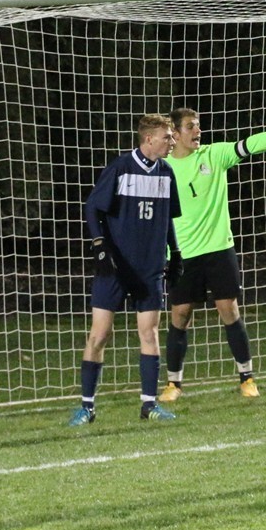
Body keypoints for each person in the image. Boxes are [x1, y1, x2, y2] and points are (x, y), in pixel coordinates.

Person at [159, 107, 266, 402]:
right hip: (182, 254)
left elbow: (251, 144)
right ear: (174, 133)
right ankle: (174, 384)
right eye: (190, 127)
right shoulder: (162, 167)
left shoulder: (214, 155)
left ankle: (246, 377)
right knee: (180, 315)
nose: (198, 131)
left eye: (198, 125)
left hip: (219, 248)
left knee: (229, 309)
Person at [70, 114, 182, 425]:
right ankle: (87, 407)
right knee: (100, 333)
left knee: (150, 333)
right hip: (116, 268)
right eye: (167, 137)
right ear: (149, 139)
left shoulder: (166, 173)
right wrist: (99, 245)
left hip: (150, 268)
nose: (172, 143)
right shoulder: (120, 168)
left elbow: (167, 218)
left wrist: (177, 253)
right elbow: (93, 206)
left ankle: (149, 405)